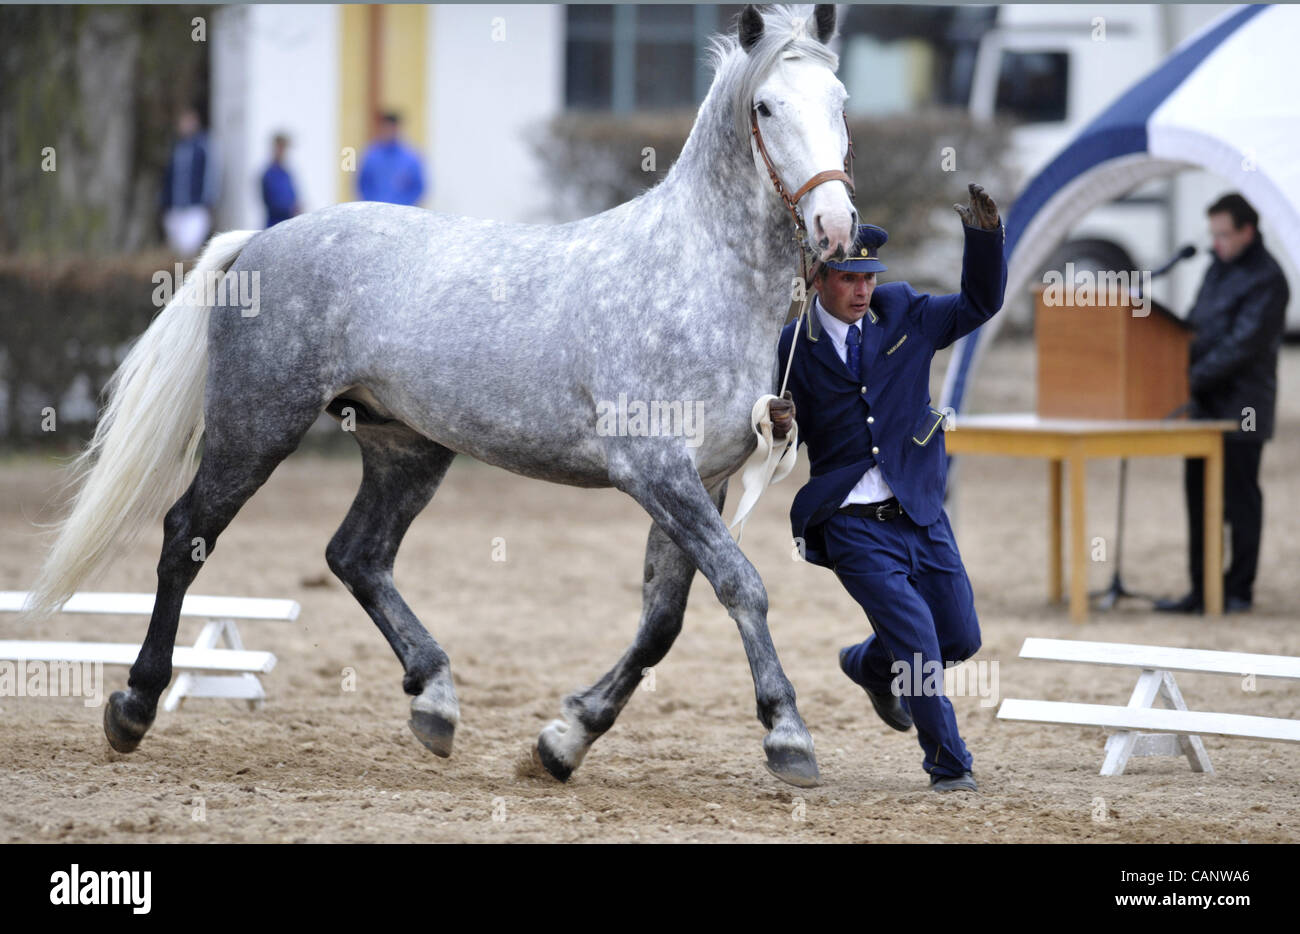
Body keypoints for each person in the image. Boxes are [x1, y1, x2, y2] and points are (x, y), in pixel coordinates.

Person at [769, 183, 1006, 792]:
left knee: (959, 638)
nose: (862, 290)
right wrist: (778, 425)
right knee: (921, 648)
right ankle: (950, 765)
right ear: (818, 278)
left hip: (921, 509)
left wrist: (984, 241)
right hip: (851, 525)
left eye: (868, 277)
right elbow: (774, 441)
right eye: (849, 278)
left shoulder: (904, 310)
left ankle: (870, 665)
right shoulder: (791, 347)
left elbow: (979, 303)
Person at [1156, 193, 1289, 614]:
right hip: (1204, 405)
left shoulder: (1268, 279)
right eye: (1212, 234)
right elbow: (1196, 325)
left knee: (1239, 497)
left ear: (1247, 231)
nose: (1215, 243)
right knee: (1199, 496)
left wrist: (1190, 377)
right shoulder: (1216, 268)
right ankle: (1202, 589)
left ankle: (1238, 590)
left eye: (1223, 235)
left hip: (1244, 408)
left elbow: (1243, 347)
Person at [160, 106, 218, 258]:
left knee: (189, 248)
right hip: (175, 207)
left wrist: (209, 201)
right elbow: (168, 178)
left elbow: (211, 175)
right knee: (177, 251)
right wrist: (164, 202)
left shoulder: (203, 147)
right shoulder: (175, 147)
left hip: (196, 206)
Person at [357, 112, 426, 206]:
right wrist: (371, 204)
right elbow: (362, 184)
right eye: (386, 128)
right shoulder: (371, 156)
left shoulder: (411, 158)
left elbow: (418, 187)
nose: (389, 131)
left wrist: (405, 205)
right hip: (375, 210)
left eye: (392, 128)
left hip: (401, 211)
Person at [261, 132, 300, 228]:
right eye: (281, 147)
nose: (283, 151)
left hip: (288, 226)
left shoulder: (286, 173)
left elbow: (293, 196)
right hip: (274, 226)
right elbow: (273, 203)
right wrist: (290, 209)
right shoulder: (269, 174)